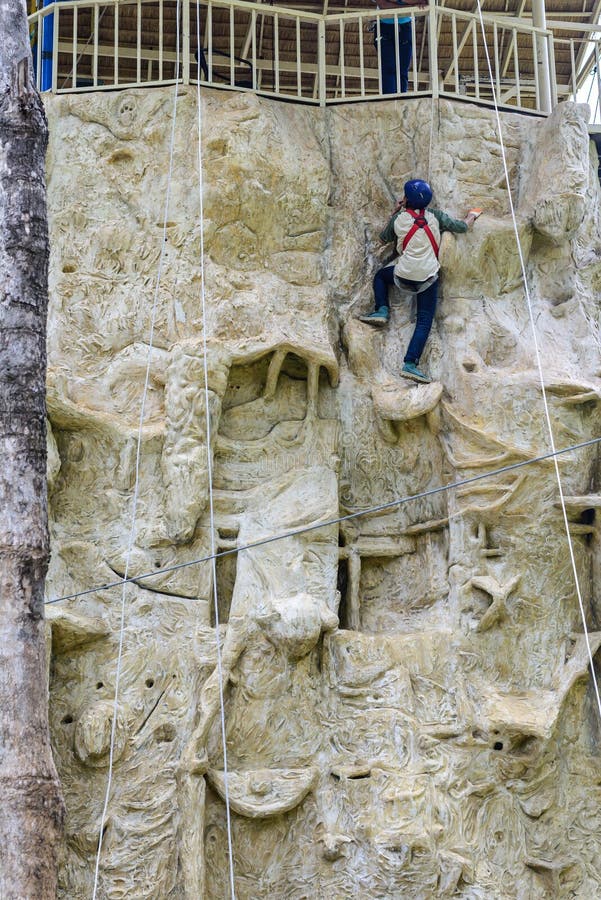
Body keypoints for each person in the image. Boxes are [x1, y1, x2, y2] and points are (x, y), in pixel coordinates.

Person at [359, 179, 480, 384]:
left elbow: (383, 238)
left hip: (403, 274)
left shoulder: (399, 219)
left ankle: (382, 310)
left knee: (380, 277)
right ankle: (410, 364)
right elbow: (461, 227)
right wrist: (472, 215)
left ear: (406, 199)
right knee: (424, 321)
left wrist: (394, 212)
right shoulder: (436, 216)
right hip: (428, 277)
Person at [374, 0, 427, 94]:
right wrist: (410, 5)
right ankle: (389, 99)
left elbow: (424, 1)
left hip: (405, 27)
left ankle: (401, 98)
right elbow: (383, 4)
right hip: (384, 27)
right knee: (388, 67)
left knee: (403, 68)